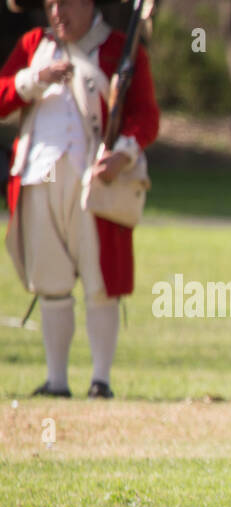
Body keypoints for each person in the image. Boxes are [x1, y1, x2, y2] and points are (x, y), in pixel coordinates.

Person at [0, 0, 159, 399]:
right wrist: (33, 79)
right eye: (50, 4)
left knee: (101, 283)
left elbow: (145, 115)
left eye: (65, 3)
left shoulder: (120, 48)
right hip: (39, 177)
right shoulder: (34, 46)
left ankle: (100, 380)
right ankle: (56, 380)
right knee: (51, 284)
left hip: (94, 182)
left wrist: (122, 152)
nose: (56, 12)